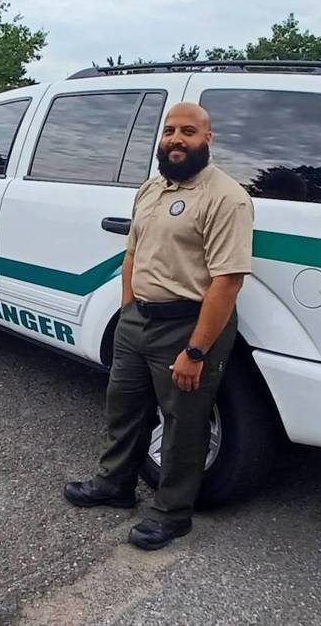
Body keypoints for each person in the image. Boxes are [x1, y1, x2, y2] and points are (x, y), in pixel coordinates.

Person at [64, 102, 254, 551]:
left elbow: (228, 282)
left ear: (208, 139)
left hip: (187, 327)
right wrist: (129, 309)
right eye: (169, 131)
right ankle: (114, 484)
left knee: (184, 425)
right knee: (124, 408)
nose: (176, 139)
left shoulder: (226, 198)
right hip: (138, 321)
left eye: (188, 131)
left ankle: (172, 513)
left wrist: (196, 351)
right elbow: (133, 253)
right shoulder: (150, 189)